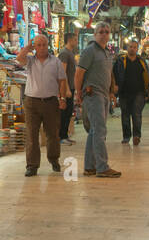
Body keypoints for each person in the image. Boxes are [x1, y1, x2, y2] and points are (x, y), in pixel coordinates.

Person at [15, 34, 68, 176]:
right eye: (38, 45)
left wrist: (62, 98)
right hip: (32, 102)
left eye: (44, 44)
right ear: (35, 47)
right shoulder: (30, 61)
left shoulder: (56, 61)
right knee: (32, 135)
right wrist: (27, 48)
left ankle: (54, 159)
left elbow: (62, 80)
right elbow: (19, 59)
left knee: (53, 134)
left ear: (48, 45)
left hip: (51, 102)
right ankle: (32, 166)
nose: (42, 47)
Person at [74, 22, 120, 178]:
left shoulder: (108, 52)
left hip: (104, 95)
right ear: (95, 34)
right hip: (93, 95)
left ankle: (90, 167)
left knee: (95, 131)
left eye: (107, 31)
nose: (104, 34)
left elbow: (108, 74)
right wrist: (78, 93)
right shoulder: (89, 51)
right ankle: (102, 167)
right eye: (101, 31)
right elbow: (79, 73)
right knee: (100, 130)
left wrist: (111, 92)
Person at [112, 39, 149, 145]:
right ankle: (126, 136)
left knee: (136, 114)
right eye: (130, 46)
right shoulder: (120, 61)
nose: (132, 49)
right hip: (124, 92)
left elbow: (147, 76)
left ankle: (136, 136)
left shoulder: (141, 62)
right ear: (127, 48)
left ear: (137, 49)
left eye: (134, 47)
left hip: (139, 92)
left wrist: (147, 91)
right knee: (125, 115)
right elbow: (114, 74)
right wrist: (114, 88)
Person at [58, 32, 78, 144]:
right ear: (70, 40)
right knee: (64, 112)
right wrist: (66, 89)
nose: (76, 42)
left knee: (69, 111)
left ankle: (64, 135)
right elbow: (62, 71)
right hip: (66, 87)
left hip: (71, 86)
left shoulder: (70, 53)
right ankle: (61, 137)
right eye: (75, 39)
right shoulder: (64, 53)